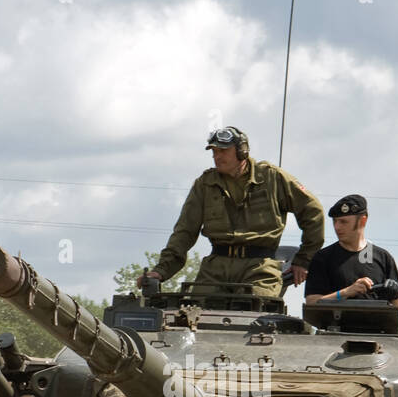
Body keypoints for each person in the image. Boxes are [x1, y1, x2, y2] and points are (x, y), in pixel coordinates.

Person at [137, 126, 324, 299]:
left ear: (242, 151)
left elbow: (313, 212)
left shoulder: (271, 177)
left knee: (259, 314)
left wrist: (304, 259)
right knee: (193, 313)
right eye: (214, 152)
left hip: (260, 267)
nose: (217, 157)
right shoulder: (205, 184)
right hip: (216, 267)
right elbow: (184, 232)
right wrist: (161, 271)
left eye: (223, 151)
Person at [304, 194, 398, 307]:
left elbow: (397, 304)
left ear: (362, 221)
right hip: (336, 323)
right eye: (335, 222)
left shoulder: (383, 257)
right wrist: (346, 292)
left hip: (376, 323)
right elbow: (311, 302)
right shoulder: (323, 258)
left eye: (343, 222)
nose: (337, 227)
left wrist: (395, 294)